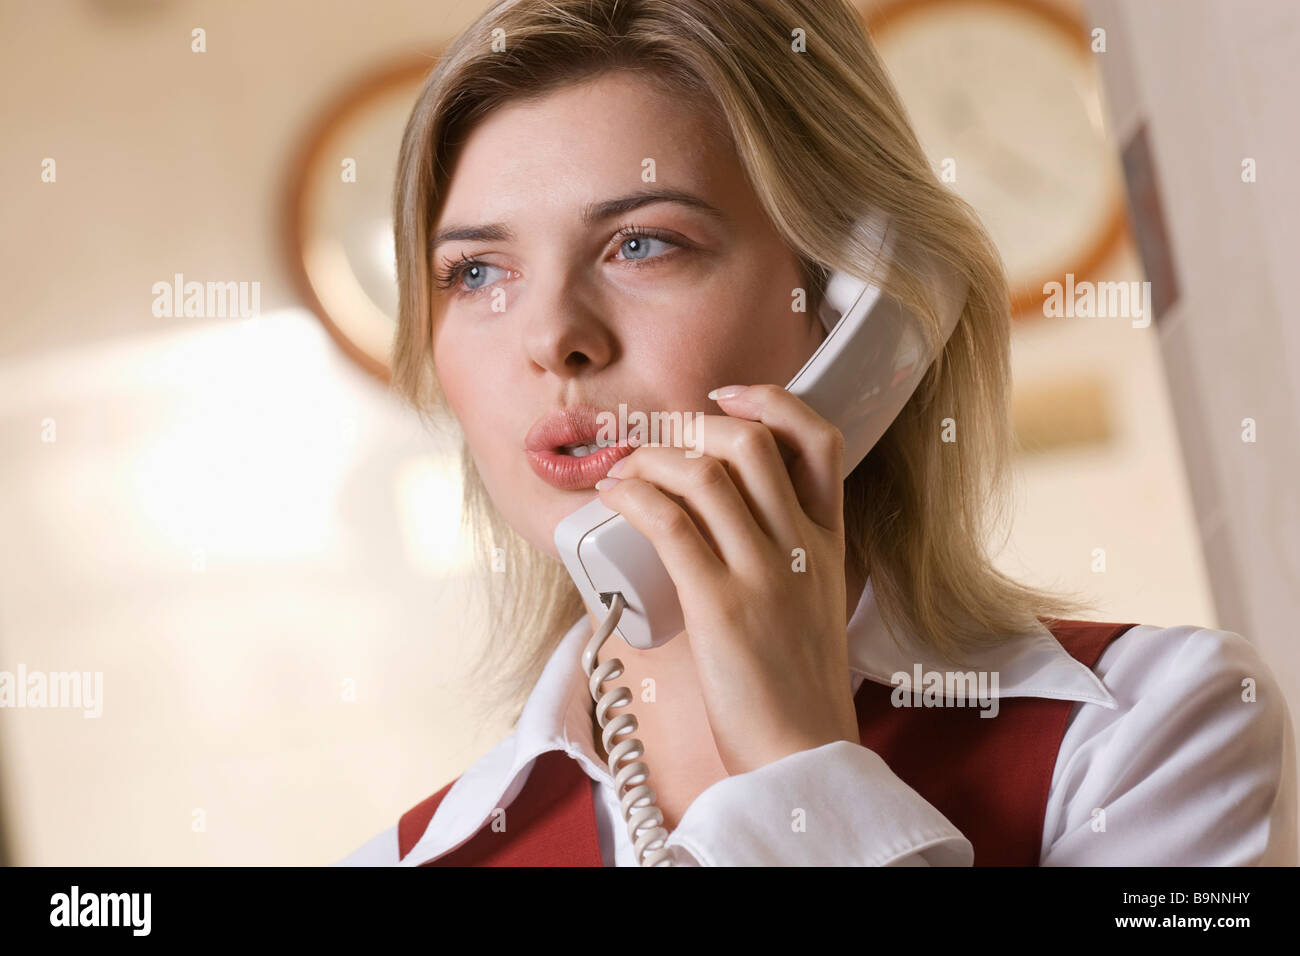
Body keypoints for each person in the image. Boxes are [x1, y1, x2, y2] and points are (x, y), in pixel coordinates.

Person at [337, 0, 1296, 866]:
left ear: (854, 305)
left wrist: (798, 765)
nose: (552, 339)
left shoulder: (1151, 735)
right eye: (475, 273)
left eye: (642, 243)